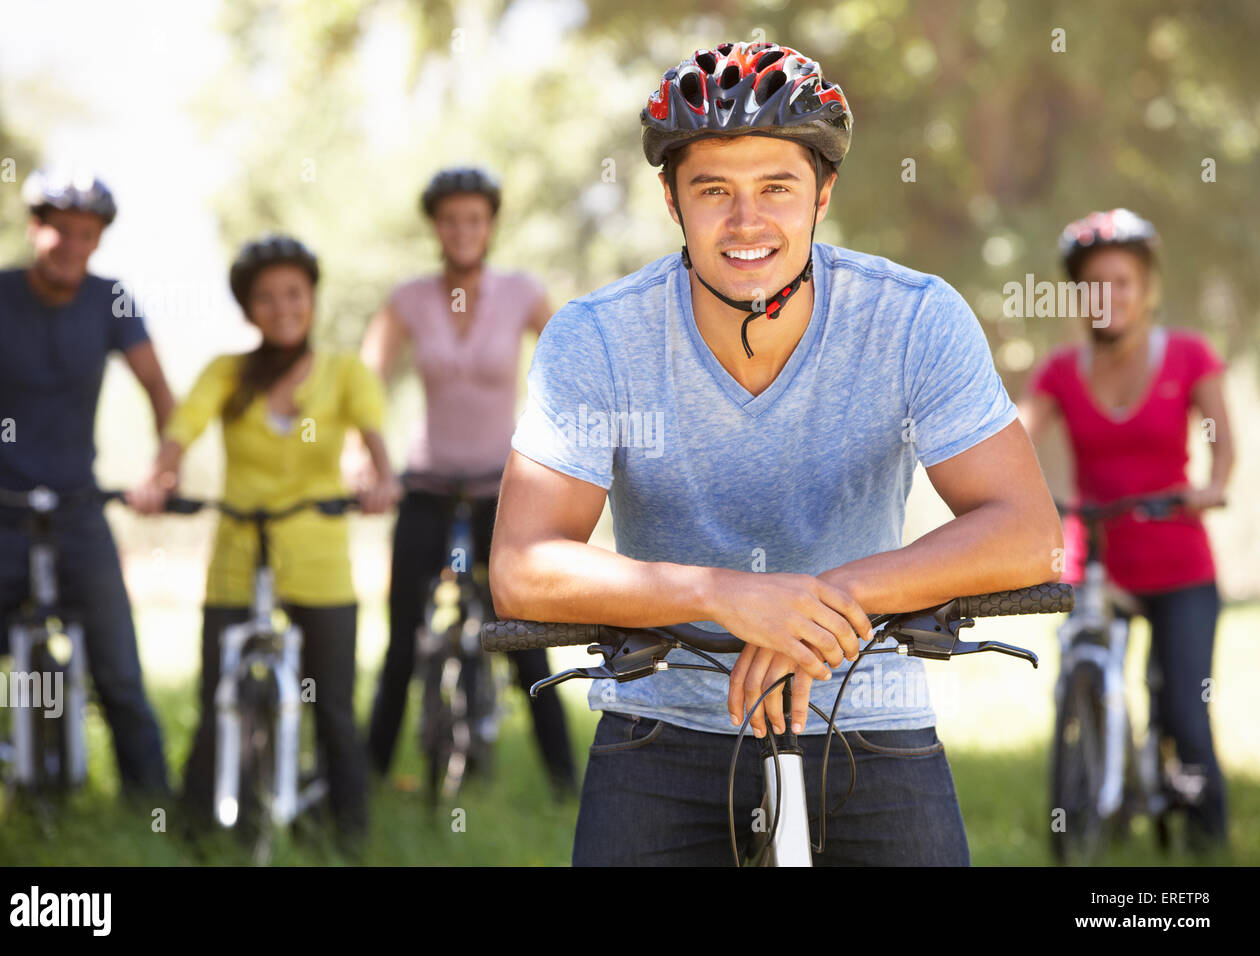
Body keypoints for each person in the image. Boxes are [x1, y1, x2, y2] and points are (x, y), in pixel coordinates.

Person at [488, 41, 1063, 865]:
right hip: (662, 729)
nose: (746, 221)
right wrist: (727, 596)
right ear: (670, 199)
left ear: (823, 194)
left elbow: (1027, 532)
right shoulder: (596, 338)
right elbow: (522, 566)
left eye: (777, 188)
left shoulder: (913, 319)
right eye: (714, 190)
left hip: (868, 722)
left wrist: (822, 602)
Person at [129, 235, 397, 841]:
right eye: (266, 298)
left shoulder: (344, 373)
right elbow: (185, 424)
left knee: (330, 705)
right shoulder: (228, 373)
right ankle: (198, 831)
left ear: (312, 300)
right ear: (249, 309)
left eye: (294, 294)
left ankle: (347, 835)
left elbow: (378, 446)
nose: (282, 307)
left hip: (319, 556)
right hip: (237, 553)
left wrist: (383, 482)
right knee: (215, 696)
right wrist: (161, 471)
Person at [1019, 208, 1233, 853]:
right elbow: (1014, 437)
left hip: (1178, 563)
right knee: (1081, 677)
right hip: (1098, 557)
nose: (1107, 298)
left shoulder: (1190, 355)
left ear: (1148, 292)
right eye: (1093, 285)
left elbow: (1223, 442)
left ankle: (1208, 838)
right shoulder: (1059, 371)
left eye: (1122, 282)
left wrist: (1213, 487)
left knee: (1184, 718)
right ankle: (1096, 789)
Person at [360, 167, 576, 795]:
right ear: (436, 226)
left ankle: (567, 786)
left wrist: (571, 434)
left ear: (490, 226)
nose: (462, 230)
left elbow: (573, 355)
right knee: (402, 641)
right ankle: (369, 781)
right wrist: (361, 456)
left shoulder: (519, 293)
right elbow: (366, 381)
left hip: (499, 489)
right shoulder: (409, 299)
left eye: (473, 219)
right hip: (425, 485)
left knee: (522, 639)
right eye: (450, 219)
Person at [0, 168, 172, 800]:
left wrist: (163, 469)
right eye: (59, 230)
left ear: (98, 240)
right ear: (35, 229)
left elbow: (160, 390)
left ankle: (152, 815)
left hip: (79, 512)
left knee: (122, 677)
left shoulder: (112, 299)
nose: (72, 244)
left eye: (87, 233)